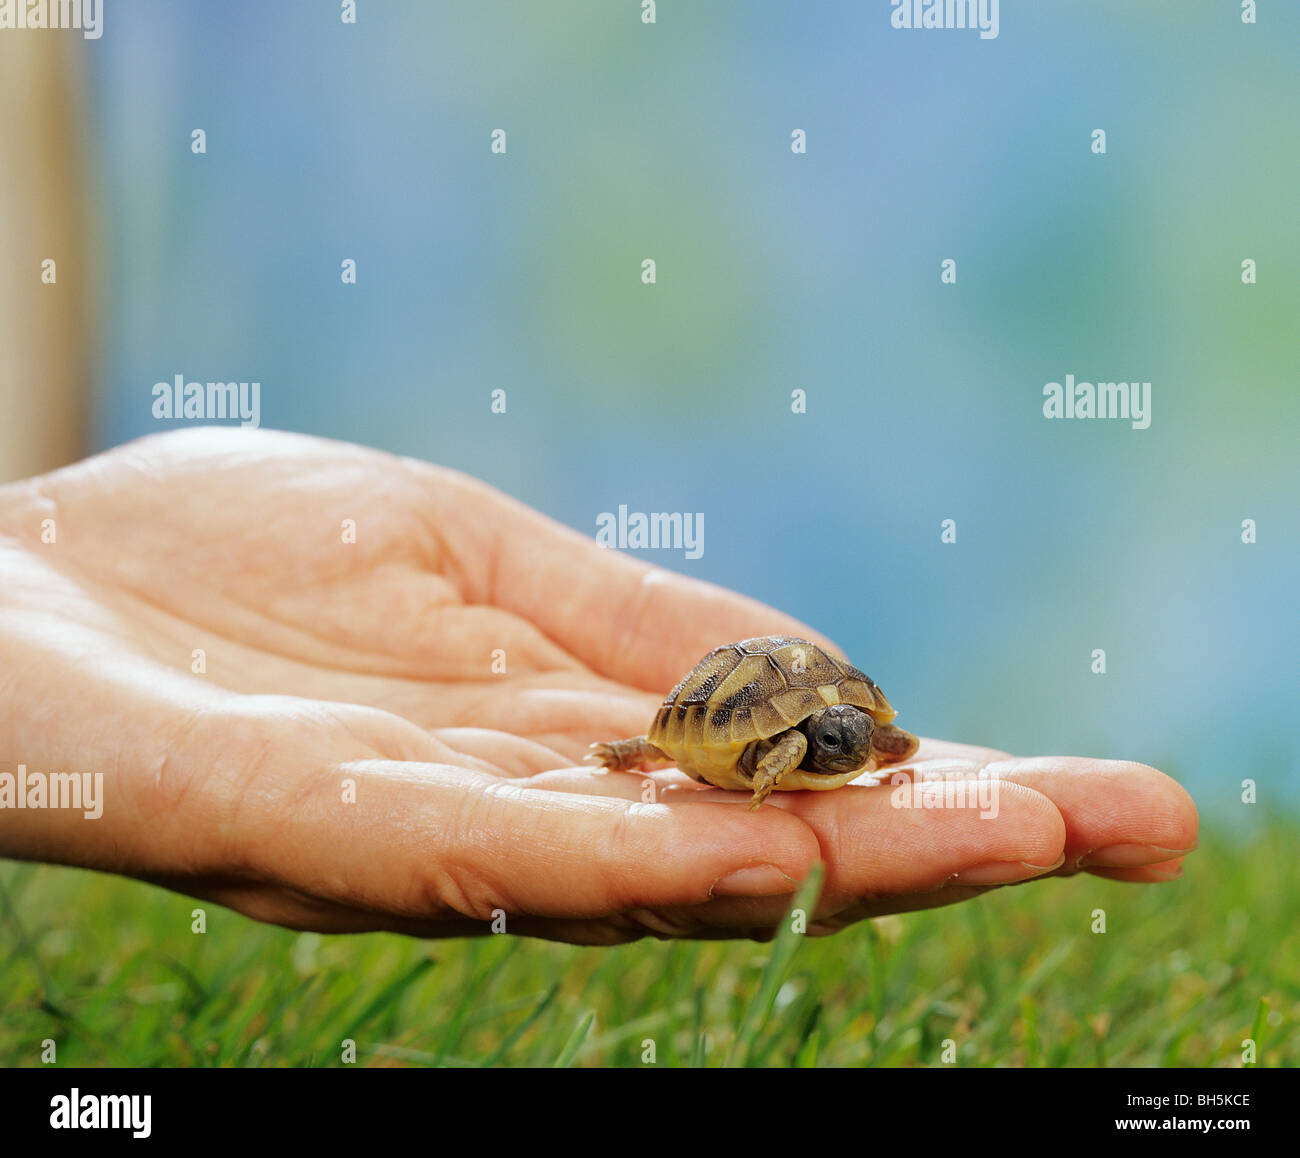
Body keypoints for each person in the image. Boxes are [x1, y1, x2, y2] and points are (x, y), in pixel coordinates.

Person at [0, 428, 1198, 944]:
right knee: (651, 752)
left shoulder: (853, 731)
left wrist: (878, 747)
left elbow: (874, 740)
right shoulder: (771, 750)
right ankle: (640, 750)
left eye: (847, 739)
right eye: (829, 742)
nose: (836, 751)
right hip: (703, 730)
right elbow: (779, 748)